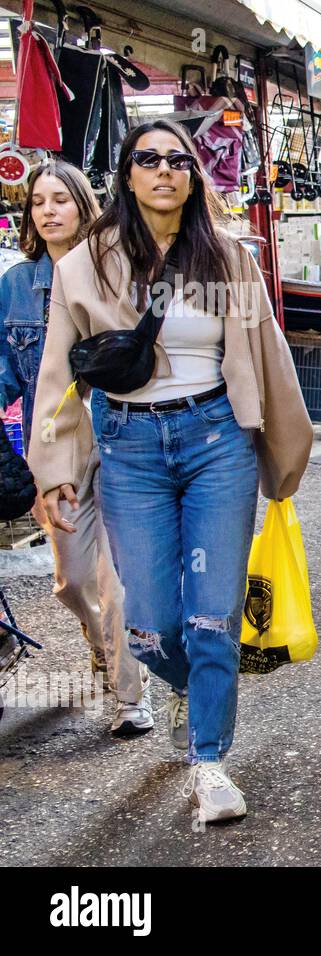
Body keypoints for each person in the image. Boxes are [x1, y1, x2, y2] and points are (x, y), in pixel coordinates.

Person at [29, 119, 313, 821]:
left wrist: (282, 452)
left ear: (193, 175)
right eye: (148, 159)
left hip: (216, 438)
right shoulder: (83, 267)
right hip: (128, 447)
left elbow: (268, 356)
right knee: (150, 627)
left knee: (212, 617)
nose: (163, 170)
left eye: (177, 160)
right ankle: (200, 683)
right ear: (127, 174)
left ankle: (210, 762)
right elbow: (57, 376)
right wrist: (54, 470)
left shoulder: (226, 259)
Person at [0, 160, 153, 738]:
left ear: (83, 204)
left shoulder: (112, 268)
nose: (47, 210)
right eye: (37, 201)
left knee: (117, 579)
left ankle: (128, 694)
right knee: (73, 582)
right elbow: (5, 372)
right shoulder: (16, 284)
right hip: (54, 442)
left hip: (121, 435)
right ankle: (103, 646)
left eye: (60, 198)